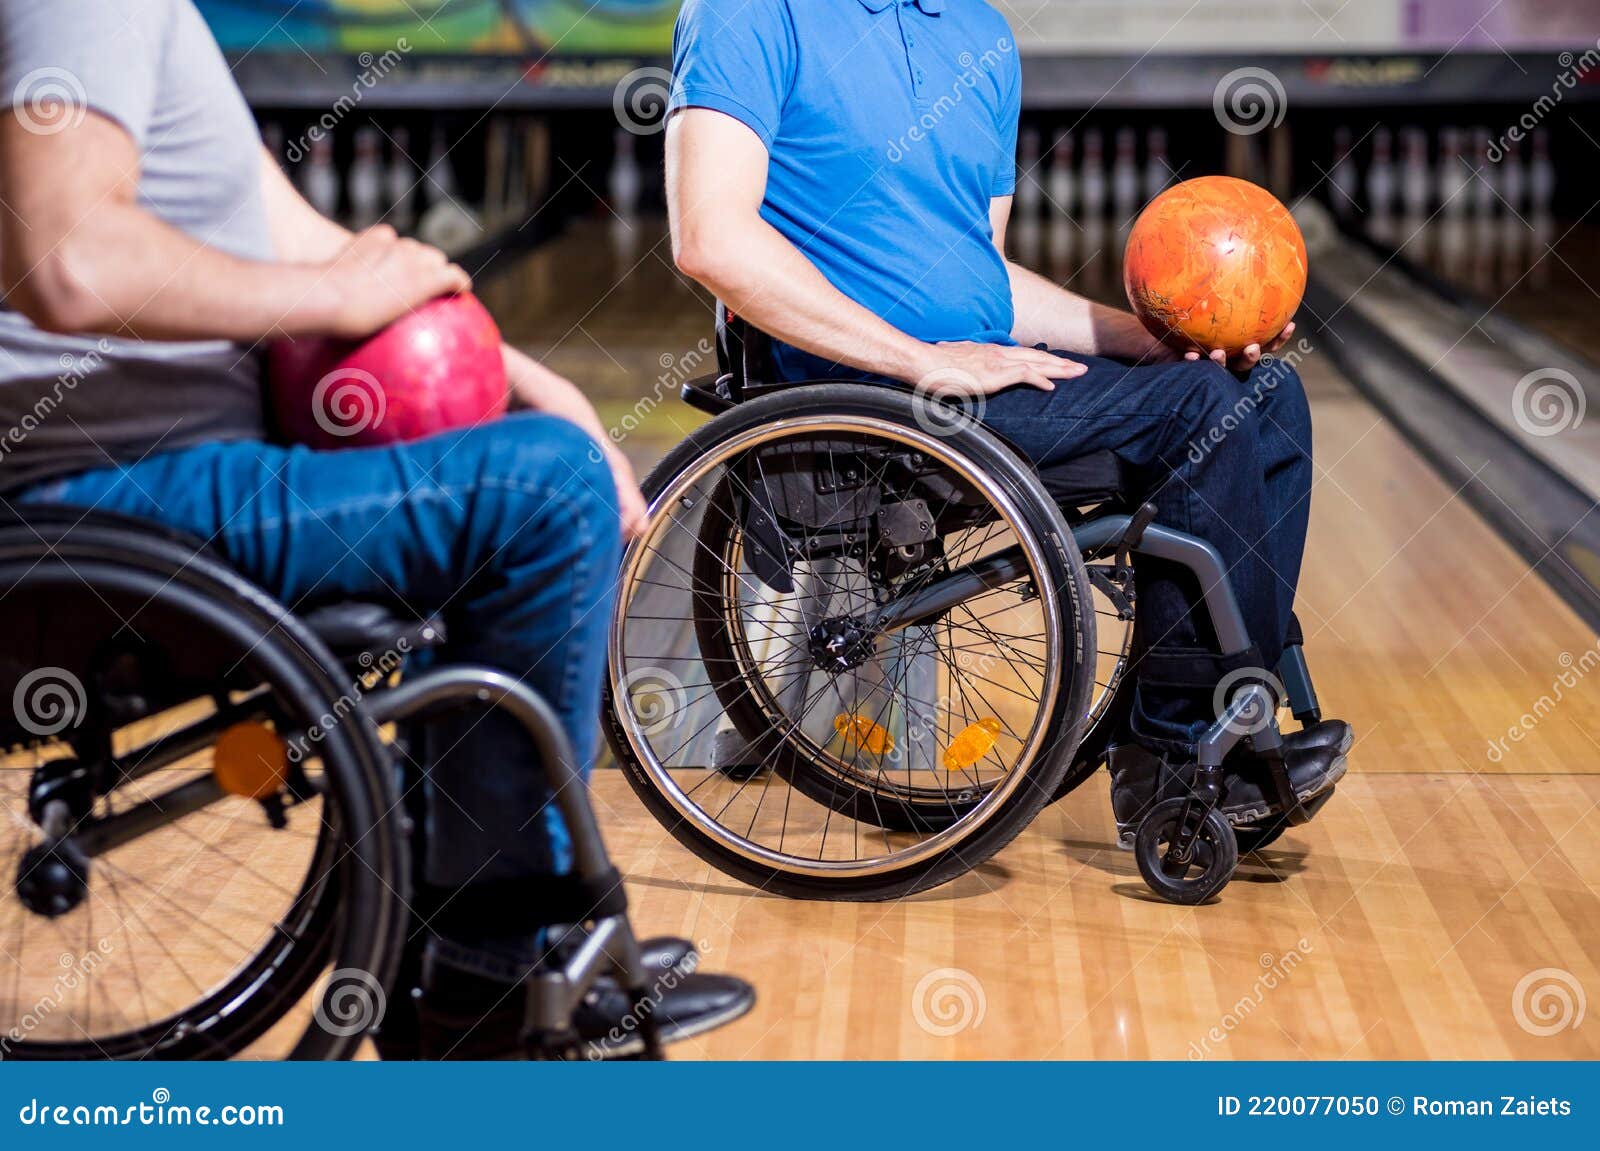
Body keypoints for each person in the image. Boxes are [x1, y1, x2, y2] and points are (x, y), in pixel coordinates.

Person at [0, 0, 751, 1057]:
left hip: (133, 492)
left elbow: (324, 248)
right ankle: (487, 980)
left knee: (541, 458)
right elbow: (69, 262)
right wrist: (320, 295)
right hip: (96, 507)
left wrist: (533, 384)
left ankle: (474, 944)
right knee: (544, 496)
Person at [664, 0, 1352, 844]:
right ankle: (1179, 754)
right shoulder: (751, 13)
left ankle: (1215, 719)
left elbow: (979, 282)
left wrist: (1153, 341)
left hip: (969, 387)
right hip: (861, 398)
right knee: (1197, 413)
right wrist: (921, 360)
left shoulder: (978, 36)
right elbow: (711, 240)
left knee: (1257, 393)